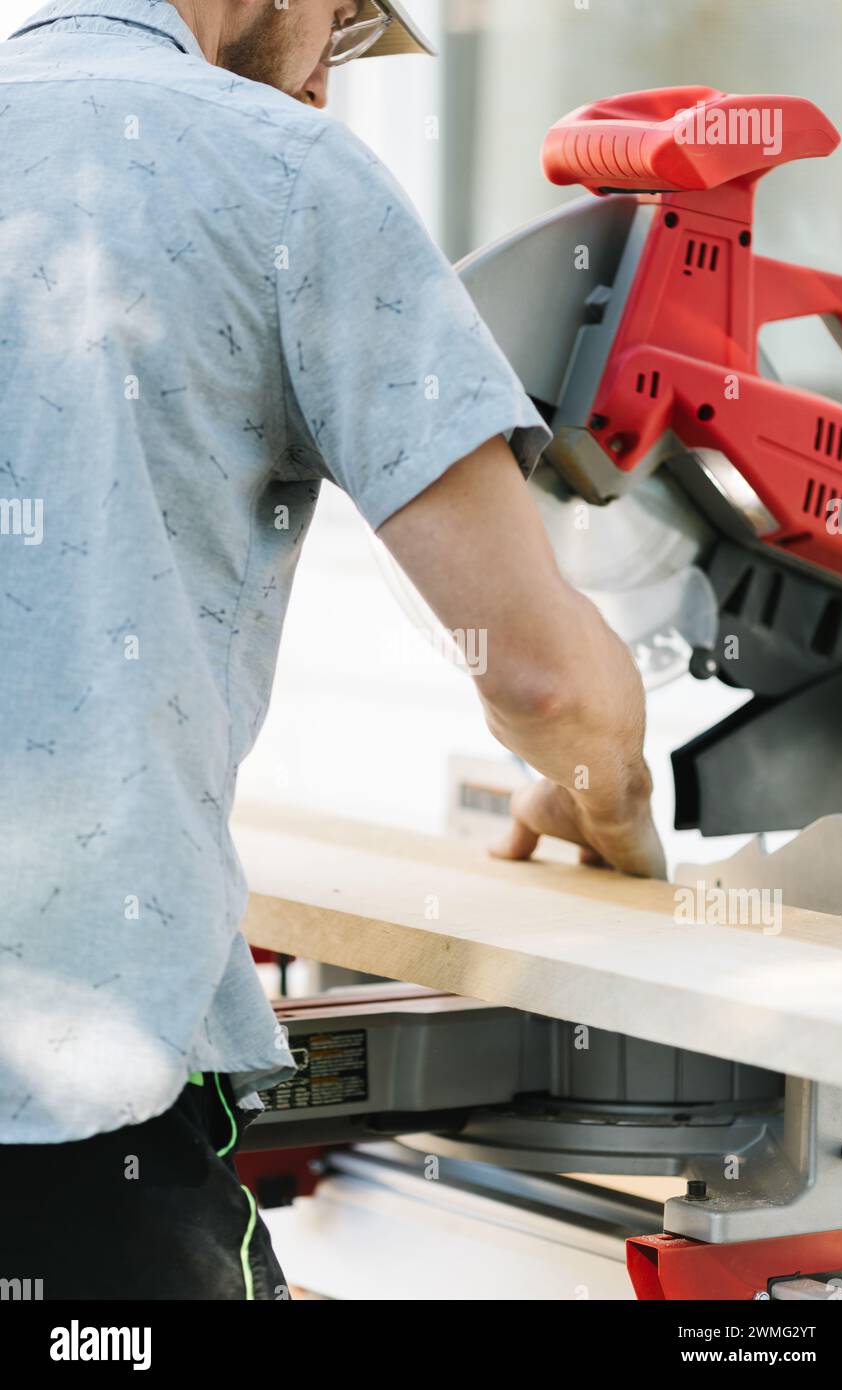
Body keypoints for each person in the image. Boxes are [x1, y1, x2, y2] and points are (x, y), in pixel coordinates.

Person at [0, 0, 665, 1299]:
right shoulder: (285, 176)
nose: (323, 91)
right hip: (68, 1138)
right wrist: (613, 808)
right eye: (345, 37)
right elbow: (543, 677)